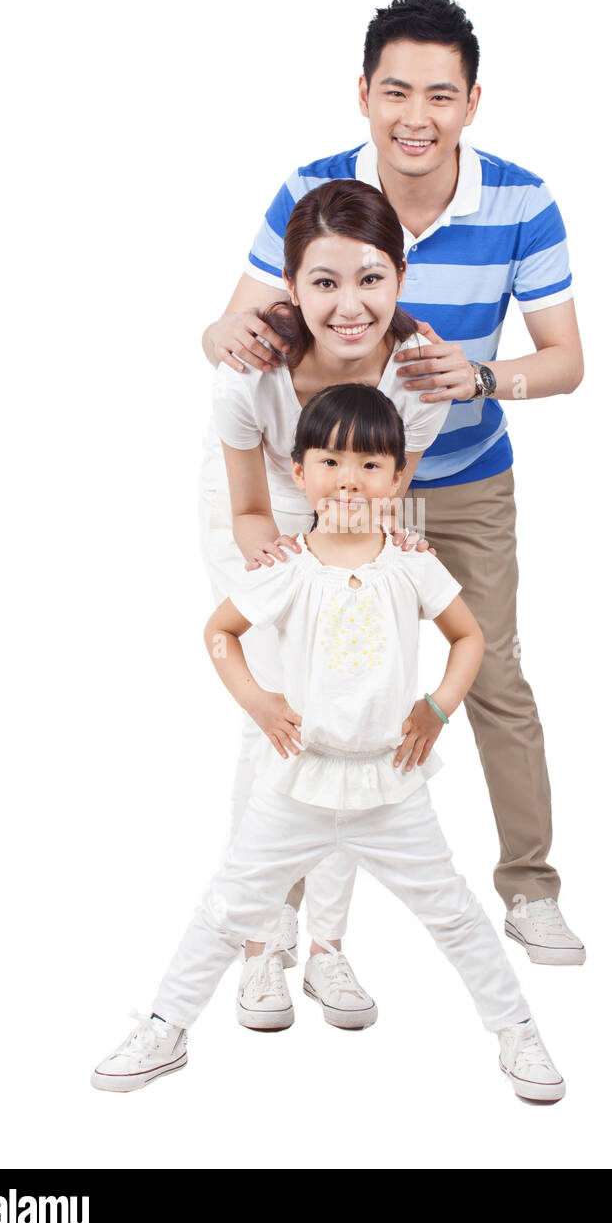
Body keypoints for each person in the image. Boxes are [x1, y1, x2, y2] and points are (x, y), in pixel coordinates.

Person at [202, 0, 587, 967]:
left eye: (441, 95)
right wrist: (219, 341)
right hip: (321, 477)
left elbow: (565, 361)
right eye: (396, 91)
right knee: (315, 685)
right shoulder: (314, 190)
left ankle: (528, 889)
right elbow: (235, 326)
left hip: (452, 478)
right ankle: (272, 929)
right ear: (363, 94)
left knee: (487, 672)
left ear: (471, 103)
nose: (417, 115)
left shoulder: (521, 203)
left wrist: (483, 377)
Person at [91, 384, 565, 1105]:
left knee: (456, 915)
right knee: (228, 908)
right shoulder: (286, 566)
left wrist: (438, 706)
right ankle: (165, 1025)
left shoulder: (411, 560)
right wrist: (258, 700)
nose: (349, 480)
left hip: (392, 784)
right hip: (297, 784)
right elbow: (219, 632)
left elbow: (470, 637)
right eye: (332, 461)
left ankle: (518, 1032)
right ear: (300, 470)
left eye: (371, 466)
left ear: (399, 478)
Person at [201, 177, 453, 1029]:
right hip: (263, 509)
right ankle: (261, 941)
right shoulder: (249, 376)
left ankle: (329, 950)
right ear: (292, 284)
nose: (350, 305)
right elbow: (247, 509)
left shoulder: (420, 379)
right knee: (279, 715)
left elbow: (380, 505)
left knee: (353, 704)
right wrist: (287, 585)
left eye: (372, 279)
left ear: (401, 275)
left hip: (359, 506)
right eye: (324, 282)